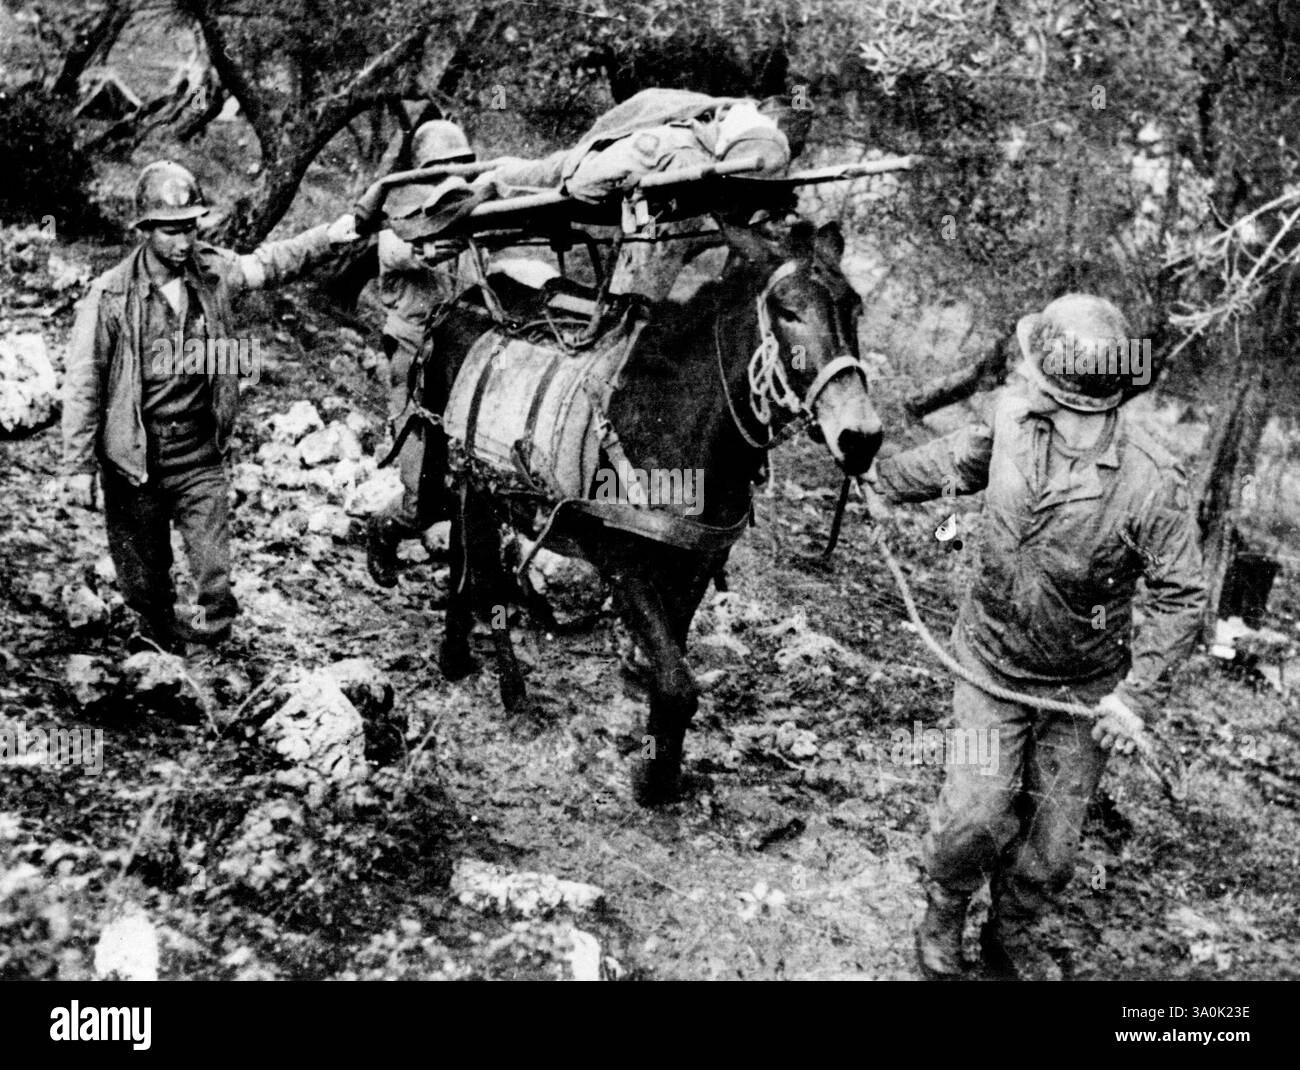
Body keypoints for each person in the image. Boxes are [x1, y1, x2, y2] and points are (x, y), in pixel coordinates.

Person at [866, 294, 1207, 980]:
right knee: (974, 815)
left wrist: (1135, 700)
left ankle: (1009, 931)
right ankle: (944, 911)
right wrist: (880, 478)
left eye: (1040, 384)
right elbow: (958, 461)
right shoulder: (1011, 418)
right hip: (991, 662)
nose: (1027, 390)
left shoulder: (1152, 481)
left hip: (1082, 685)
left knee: (1053, 847)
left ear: (1088, 402)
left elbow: (1182, 595)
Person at [62, 160, 363, 652]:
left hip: (198, 452)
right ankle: (157, 645)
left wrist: (329, 237)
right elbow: (83, 382)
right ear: (145, 230)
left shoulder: (213, 274)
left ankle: (213, 645)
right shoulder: (111, 295)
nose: (184, 242)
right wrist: (75, 465)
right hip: (134, 458)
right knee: (143, 578)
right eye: (171, 231)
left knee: (213, 572)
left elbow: (271, 263)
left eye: (190, 229)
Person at [365, 120, 487, 587]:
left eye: (460, 168)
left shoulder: (474, 218)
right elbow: (424, 249)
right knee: (423, 497)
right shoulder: (400, 227)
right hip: (414, 370)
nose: (452, 178)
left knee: (481, 483)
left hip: (461, 366)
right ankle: (383, 529)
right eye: (441, 169)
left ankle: (475, 579)